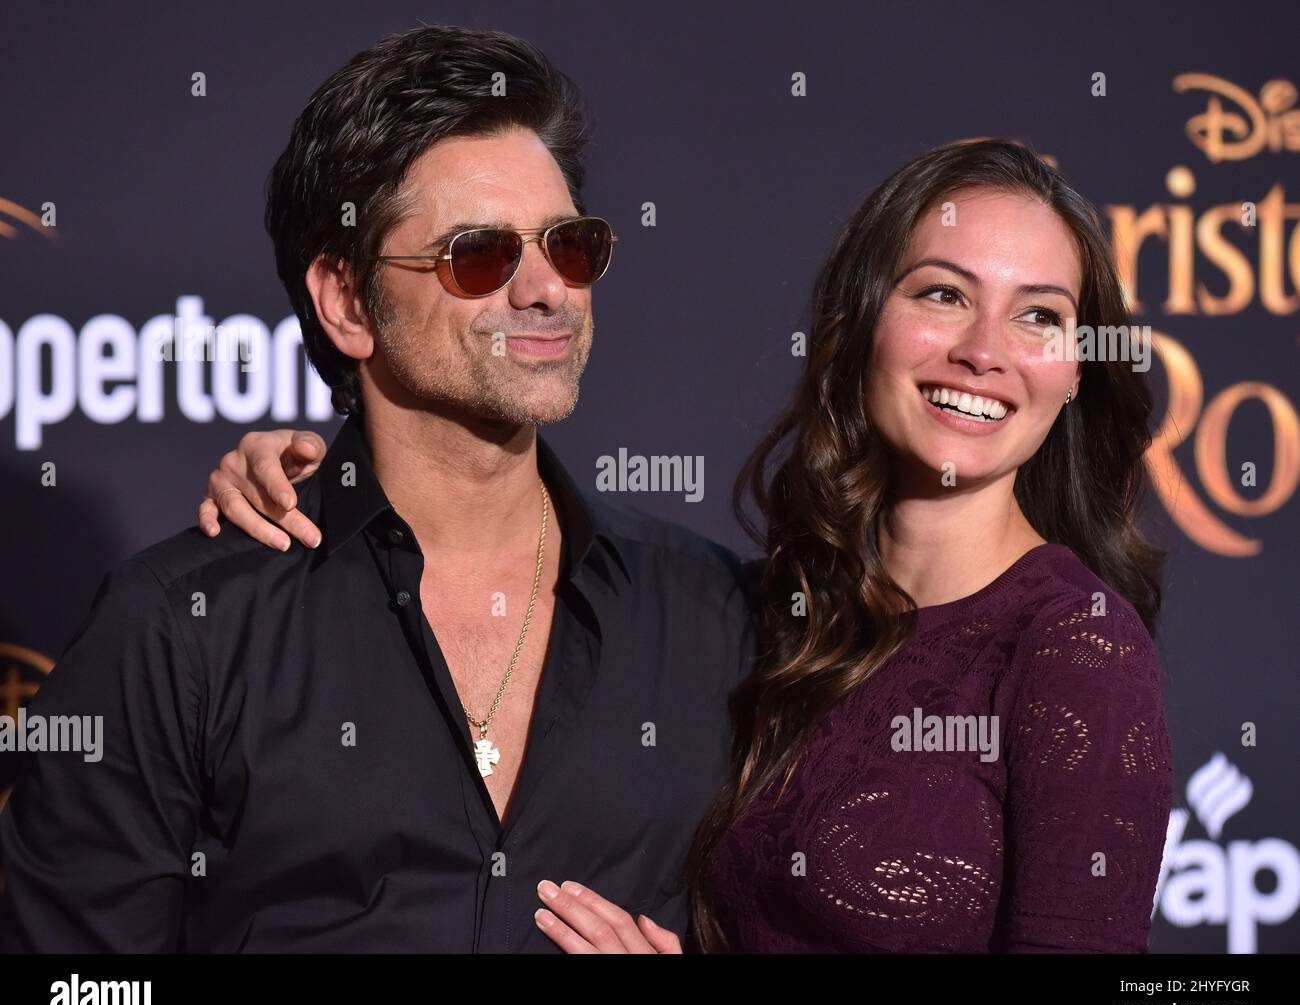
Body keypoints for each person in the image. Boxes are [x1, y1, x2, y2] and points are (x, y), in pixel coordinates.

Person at [208, 141, 1173, 953]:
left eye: (1040, 315)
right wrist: (329, 483)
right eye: (944, 294)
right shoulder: (764, 614)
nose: (985, 351)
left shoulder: (1075, 650)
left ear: (1077, 371)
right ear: (862, 322)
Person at [0, 26, 753, 954]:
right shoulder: (183, 628)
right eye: (479, 255)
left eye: (570, 246)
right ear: (347, 301)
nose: (546, 290)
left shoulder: (715, 615)